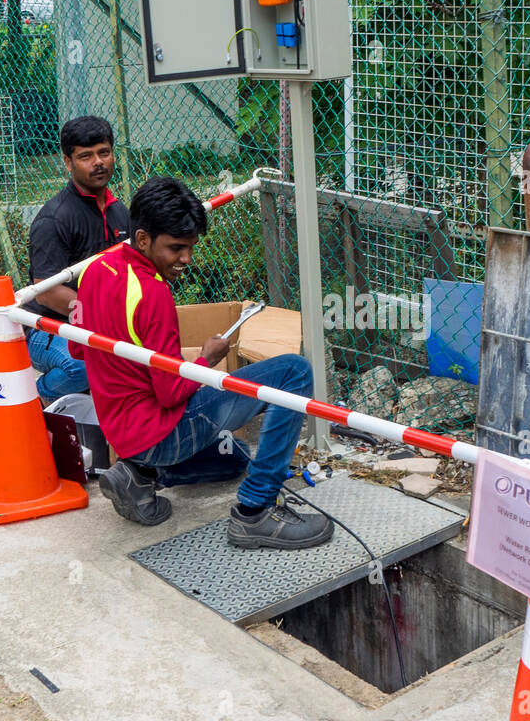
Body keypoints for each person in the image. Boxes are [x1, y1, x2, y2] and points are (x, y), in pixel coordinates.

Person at [69, 175, 333, 552]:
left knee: (234, 460)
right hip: (162, 432)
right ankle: (255, 511)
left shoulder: (96, 269)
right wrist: (208, 359)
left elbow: (79, 350)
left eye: (191, 247)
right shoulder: (153, 294)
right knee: (294, 372)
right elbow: (170, 392)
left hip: (122, 435)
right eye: (176, 248)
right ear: (142, 239)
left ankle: (139, 476)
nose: (186, 260)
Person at [26, 116, 130, 403]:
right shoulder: (54, 219)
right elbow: (46, 292)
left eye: (104, 152)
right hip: (46, 326)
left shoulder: (120, 212)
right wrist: (98, 320)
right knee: (83, 366)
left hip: (106, 321)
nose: (98, 162)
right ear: (68, 162)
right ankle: (38, 397)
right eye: (85, 156)